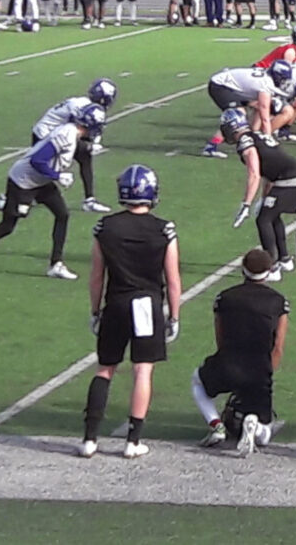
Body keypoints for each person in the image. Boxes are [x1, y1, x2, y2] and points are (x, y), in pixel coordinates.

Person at [80, 165, 182, 460]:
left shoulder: (105, 227)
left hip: (116, 302)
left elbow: (96, 276)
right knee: (142, 369)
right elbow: (173, 279)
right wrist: (174, 316)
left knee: (105, 368)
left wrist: (95, 310)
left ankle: (89, 439)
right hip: (147, 305)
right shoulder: (164, 229)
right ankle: (133, 440)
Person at [0, 103, 106, 281]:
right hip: (23, 182)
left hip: (41, 180)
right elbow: (37, 160)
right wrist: (57, 176)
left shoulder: (71, 133)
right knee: (7, 226)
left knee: (62, 214)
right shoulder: (66, 135)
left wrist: (86, 148)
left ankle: (56, 264)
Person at [191, 249, 289, 457]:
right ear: (269, 271)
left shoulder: (224, 297)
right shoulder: (278, 301)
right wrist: (267, 372)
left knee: (197, 380)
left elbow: (220, 337)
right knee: (264, 436)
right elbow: (278, 346)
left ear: (243, 269)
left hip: (228, 363)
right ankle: (254, 425)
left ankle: (216, 424)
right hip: (259, 369)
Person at [220, 109, 296, 281]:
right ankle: (284, 259)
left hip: (290, 179)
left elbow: (254, 174)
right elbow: (268, 173)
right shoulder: (256, 136)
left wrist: (246, 204)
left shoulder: (246, 142)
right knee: (272, 216)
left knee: (263, 220)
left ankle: (273, 267)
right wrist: (263, 198)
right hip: (292, 176)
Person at [20, 78, 118, 214]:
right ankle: (14, 198)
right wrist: (91, 143)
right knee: (40, 167)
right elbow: (78, 129)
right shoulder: (81, 107)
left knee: (84, 157)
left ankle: (89, 200)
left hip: (55, 133)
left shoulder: (85, 104)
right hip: (45, 134)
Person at [200, 63, 296, 158]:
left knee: (259, 106)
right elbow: (265, 117)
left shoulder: (266, 80)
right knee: (238, 117)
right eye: (283, 79)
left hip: (234, 87)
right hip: (220, 86)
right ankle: (211, 147)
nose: (284, 82)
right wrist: (268, 136)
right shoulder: (266, 84)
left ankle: (253, 136)